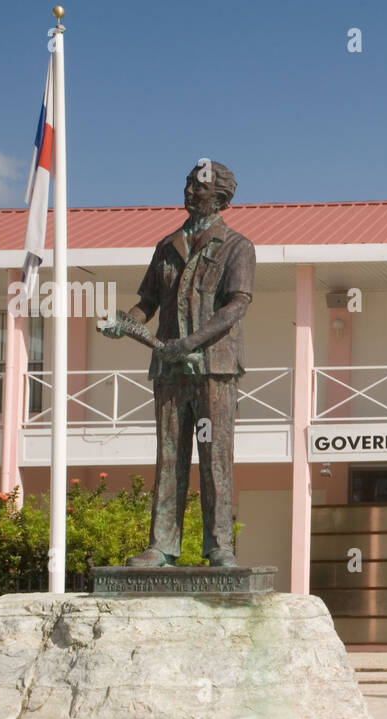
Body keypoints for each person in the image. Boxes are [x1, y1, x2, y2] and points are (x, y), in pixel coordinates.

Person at [100, 161, 255, 567]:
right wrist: (125, 321)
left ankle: (219, 546)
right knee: (169, 457)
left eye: (197, 186)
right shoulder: (166, 246)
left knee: (214, 457)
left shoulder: (238, 247)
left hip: (213, 369)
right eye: (187, 183)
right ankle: (161, 545)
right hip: (169, 369)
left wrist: (192, 342)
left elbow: (236, 305)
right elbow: (148, 302)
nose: (188, 190)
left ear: (219, 197)